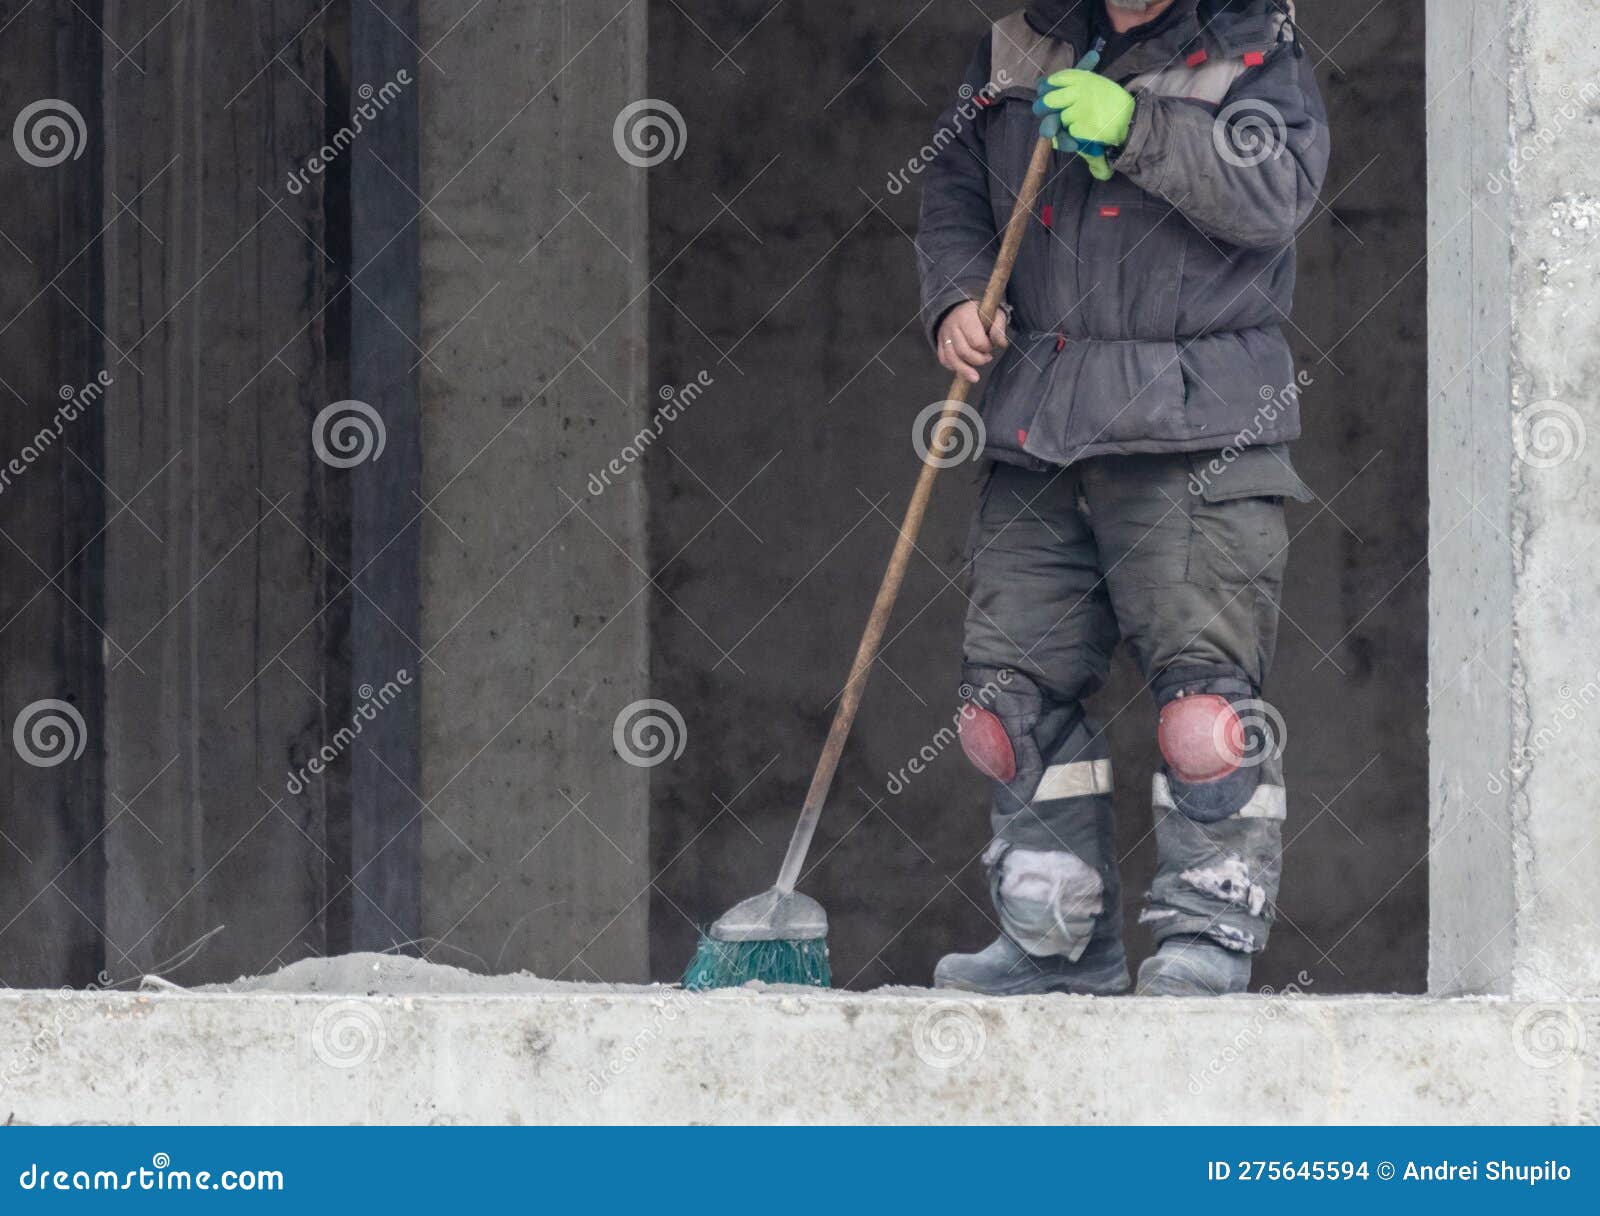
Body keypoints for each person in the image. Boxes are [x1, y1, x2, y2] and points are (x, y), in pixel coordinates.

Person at [916, 0, 1328, 995]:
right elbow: (953, 189)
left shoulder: (1254, 47)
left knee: (1203, 714)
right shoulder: (1020, 40)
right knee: (1005, 705)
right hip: (1037, 420)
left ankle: (1204, 941)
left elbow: (1275, 190)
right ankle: (1054, 943)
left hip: (1196, 425)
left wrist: (1136, 129)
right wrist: (958, 299)